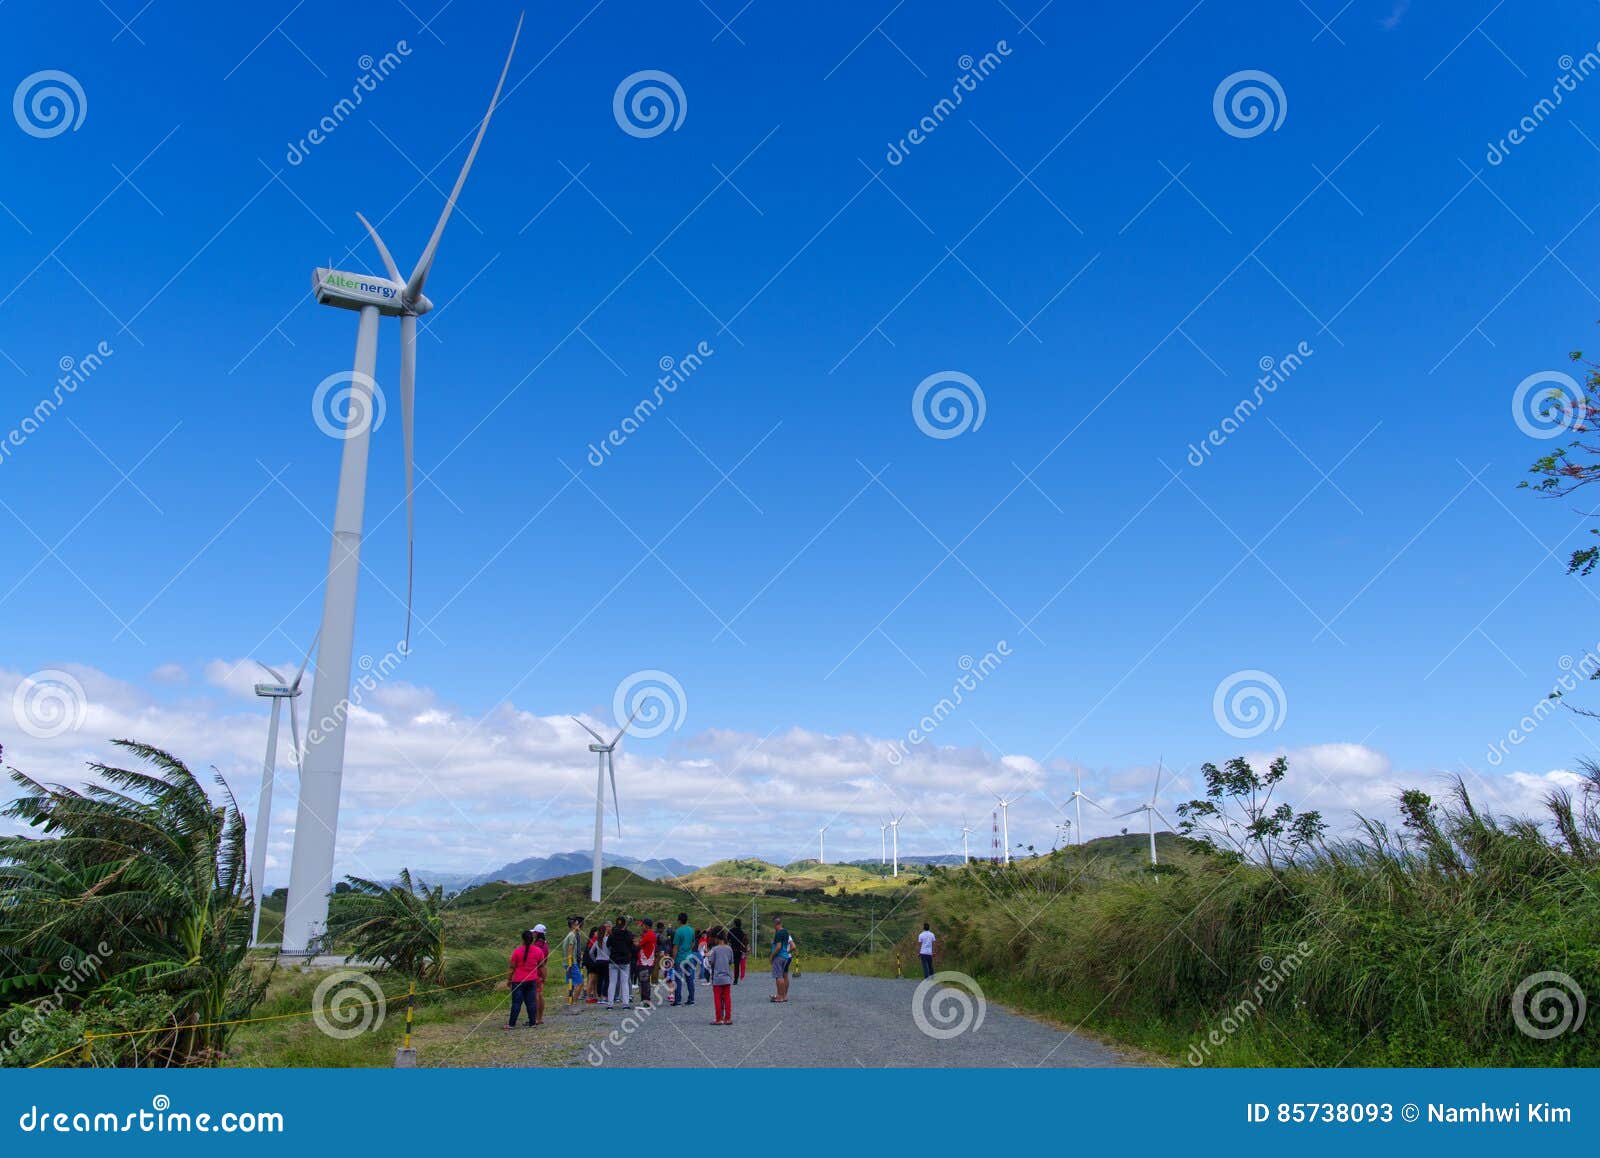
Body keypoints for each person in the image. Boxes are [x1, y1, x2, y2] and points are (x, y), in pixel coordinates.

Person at [507, 928, 543, 1028]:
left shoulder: (517, 951)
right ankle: (532, 1023)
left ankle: (511, 1024)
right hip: (532, 980)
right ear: (532, 939)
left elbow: (512, 968)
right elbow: (542, 966)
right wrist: (543, 978)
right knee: (531, 1002)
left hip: (518, 981)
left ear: (522, 939)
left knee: (516, 1003)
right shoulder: (538, 951)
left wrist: (509, 980)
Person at [607, 916, 636, 1009]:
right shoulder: (629, 934)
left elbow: (608, 945)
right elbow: (632, 946)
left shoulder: (612, 935)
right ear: (624, 924)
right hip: (625, 961)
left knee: (612, 982)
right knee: (624, 983)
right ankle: (625, 1004)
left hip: (613, 960)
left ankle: (610, 1004)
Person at [706, 929, 734, 1025]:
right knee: (727, 998)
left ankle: (719, 1019)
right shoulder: (729, 948)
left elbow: (711, 962)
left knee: (717, 998)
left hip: (717, 978)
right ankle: (728, 1019)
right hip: (727, 977)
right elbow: (731, 961)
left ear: (717, 938)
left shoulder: (714, 949)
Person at [671, 913, 697, 1006]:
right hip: (689, 957)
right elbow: (693, 942)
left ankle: (677, 1000)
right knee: (690, 979)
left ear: (679, 920)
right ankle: (691, 999)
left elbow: (676, 947)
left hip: (680, 958)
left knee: (678, 979)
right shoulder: (691, 930)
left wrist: (673, 959)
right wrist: (689, 949)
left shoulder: (678, 931)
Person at [769, 916, 792, 1003]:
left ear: (776, 924)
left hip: (779, 956)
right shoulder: (786, 932)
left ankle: (780, 997)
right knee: (782, 976)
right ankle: (783, 996)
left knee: (779, 977)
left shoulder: (778, 933)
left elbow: (778, 947)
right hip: (786, 956)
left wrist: (772, 955)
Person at [636, 918, 657, 1005]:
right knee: (645, 981)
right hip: (648, 961)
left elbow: (639, 944)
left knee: (644, 982)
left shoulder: (648, 935)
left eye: (643, 925)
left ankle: (646, 1000)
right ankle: (645, 999)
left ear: (646, 926)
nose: (641, 927)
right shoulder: (651, 934)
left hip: (645, 962)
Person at [563, 916, 584, 1004]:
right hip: (572, 963)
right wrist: (570, 963)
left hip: (569, 962)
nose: (578, 926)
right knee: (580, 982)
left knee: (570, 984)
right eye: (576, 924)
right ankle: (574, 1002)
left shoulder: (570, 935)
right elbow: (570, 948)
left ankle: (569, 1002)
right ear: (573, 925)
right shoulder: (572, 935)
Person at [592, 920, 613, 1005]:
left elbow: (591, 952)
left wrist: (595, 959)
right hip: (606, 961)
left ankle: (599, 997)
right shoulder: (608, 940)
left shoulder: (597, 941)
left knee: (600, 979)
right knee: (607, 979)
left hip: (598, 961)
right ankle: (605, 996)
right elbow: (611, 950)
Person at [727, 918, 747, 985]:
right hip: (739, 951)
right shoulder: (742, 932)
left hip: (731, 950)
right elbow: (745, 942)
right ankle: (735, 980)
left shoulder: (731, 931)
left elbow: (727, 940)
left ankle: (726, 978)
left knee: (727, 964)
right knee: (736, 966)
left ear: (734, 923)